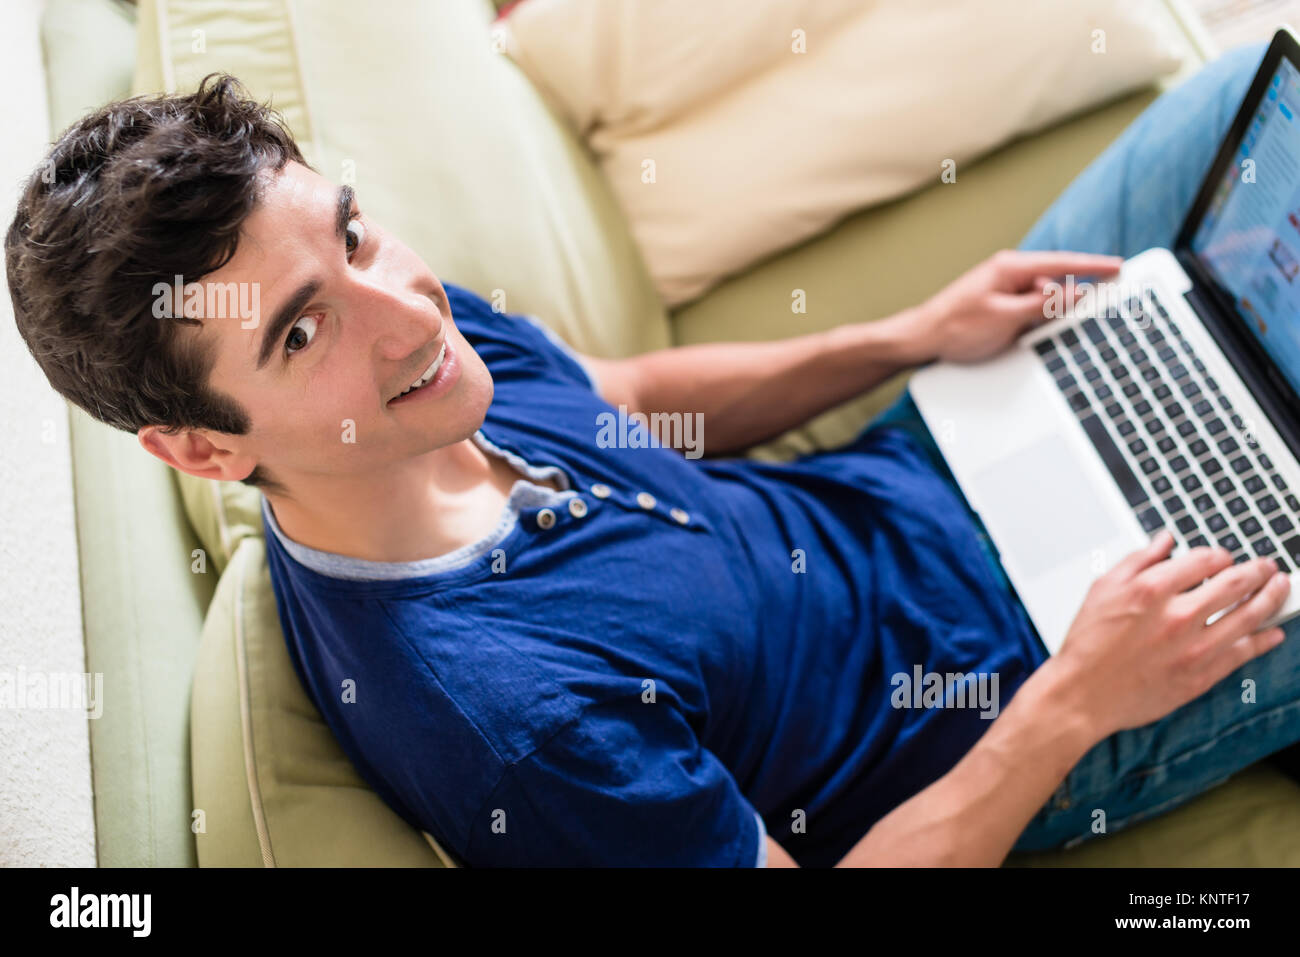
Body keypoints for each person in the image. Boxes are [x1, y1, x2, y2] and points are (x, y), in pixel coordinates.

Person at [6, 41, 1295, 868]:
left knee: (1245, 100)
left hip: (933, 459)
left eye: (350, 236)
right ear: (203, 450)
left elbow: (622, 397)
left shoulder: (420, 368)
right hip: (1041, 686)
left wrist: (909, 334)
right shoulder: (519, 729)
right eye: (301, 332)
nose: (408, 310)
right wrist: (1076, 700)